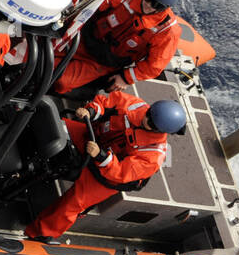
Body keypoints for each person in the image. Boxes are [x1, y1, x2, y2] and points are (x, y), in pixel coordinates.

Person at [24, 90, 186, 241]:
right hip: (91, 138)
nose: (146, 119)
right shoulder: (134, 105)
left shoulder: (153, 155)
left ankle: (38, 234)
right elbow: (105, 102)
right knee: (54, 126)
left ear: (161, 131)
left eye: (151, 123)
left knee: (74, 203)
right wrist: (91, 111)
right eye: (149, 114)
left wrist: (100, 156)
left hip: (107, 175)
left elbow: (121, 172)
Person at [53, 0, 182, 94]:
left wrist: (125, 78)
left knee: (61, 82)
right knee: (43, 52)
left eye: (157, 5)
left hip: (103, 63)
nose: (149, 5)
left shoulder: (168, 31)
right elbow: (92, 1)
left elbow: (153, 66)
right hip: (84, 38)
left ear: (165, 7)